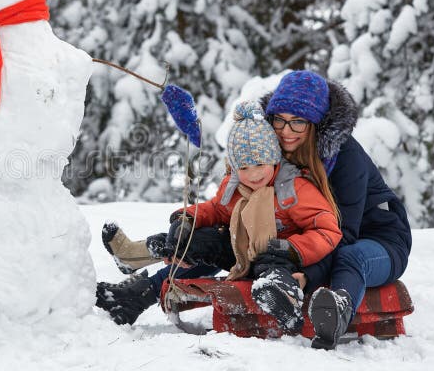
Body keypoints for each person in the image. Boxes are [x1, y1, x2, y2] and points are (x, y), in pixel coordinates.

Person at [96, 101, 343, 333]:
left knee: (273, 264)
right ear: (234, 168)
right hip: (240, 252)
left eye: (260, 164)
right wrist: (187, 219)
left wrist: (292, 248)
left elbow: (327, 230)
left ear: (274, 158)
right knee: (192, 239)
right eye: (244, 168)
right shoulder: (234, 186)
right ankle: (138, 270)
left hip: (279, 256)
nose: (254, 175)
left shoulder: (294, 189)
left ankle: (282, 297)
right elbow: (215, 209)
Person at [261, 70, 412, 349]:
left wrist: (309, 275)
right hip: (325, 236)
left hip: (381, 242)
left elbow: (343, 234)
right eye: (279, 120)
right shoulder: (274, 152)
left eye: (297, 123)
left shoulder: (347, 159)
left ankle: (335, 313)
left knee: (350, 257)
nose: (285, 130)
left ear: (316, 124)